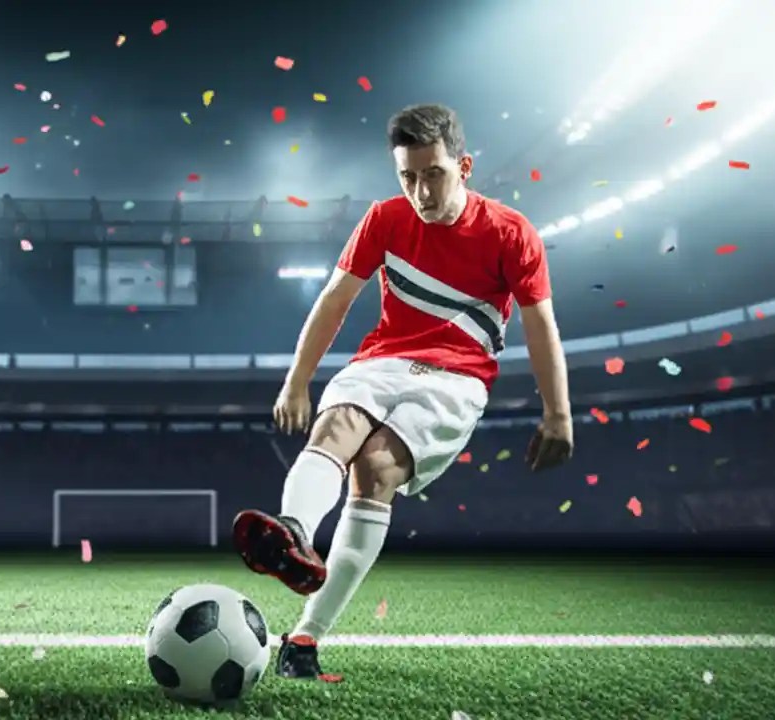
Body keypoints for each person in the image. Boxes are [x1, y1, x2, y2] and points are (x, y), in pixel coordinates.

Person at [231, 103, 574, 680]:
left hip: (457, 378)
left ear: (463, 166)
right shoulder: (385, 219)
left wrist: (558, 413)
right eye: (407, 177)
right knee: (334, 428)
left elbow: (541, 324)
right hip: (382, 359)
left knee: (376, 472)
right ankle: (292, 532)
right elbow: (335, 300)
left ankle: (304, 642)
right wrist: (297, 381)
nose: (420, 191)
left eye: (432, 174)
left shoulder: (510, 233)